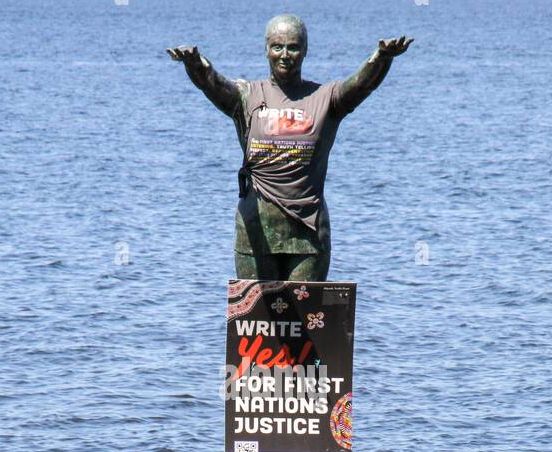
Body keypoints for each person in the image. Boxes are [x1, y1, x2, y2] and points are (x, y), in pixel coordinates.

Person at [168, 16, 412, 281]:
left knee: (308, 322)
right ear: (266, 50)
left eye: (293, 47)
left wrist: (382, 57)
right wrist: (194, 63)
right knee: (257, 321)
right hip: (256, 229)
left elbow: (361, 84)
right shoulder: (246, 96)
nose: (285, 55)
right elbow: (212, 83)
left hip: (309, 233)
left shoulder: (326, 98)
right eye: (277, 47)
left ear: (305, 50)